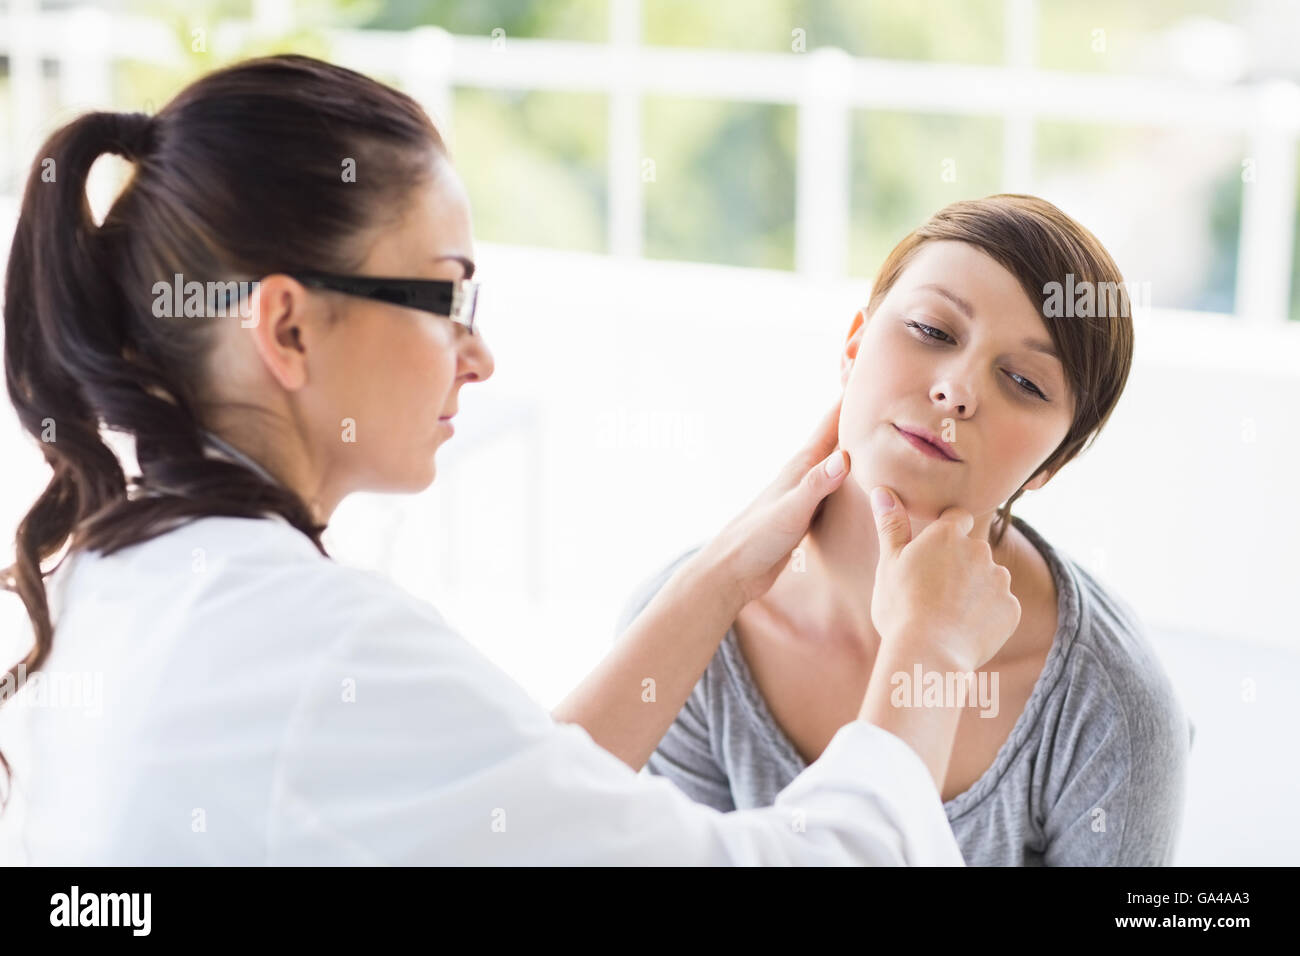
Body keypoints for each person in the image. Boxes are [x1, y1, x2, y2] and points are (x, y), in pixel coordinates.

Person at [0, 54, 1020, 865]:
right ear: (289, 329)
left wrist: (721, 575)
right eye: (449, 296)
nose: (479, 356)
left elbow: (502, 815)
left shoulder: (128, 576)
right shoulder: (318, 650)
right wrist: (928, 652)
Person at [618, 196, 1191, 866]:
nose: (957, 390)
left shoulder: (1110, 708)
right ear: (854, 345)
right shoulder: (683, 636)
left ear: (1052, 464)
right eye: (932, 329)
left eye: (1023, 381)